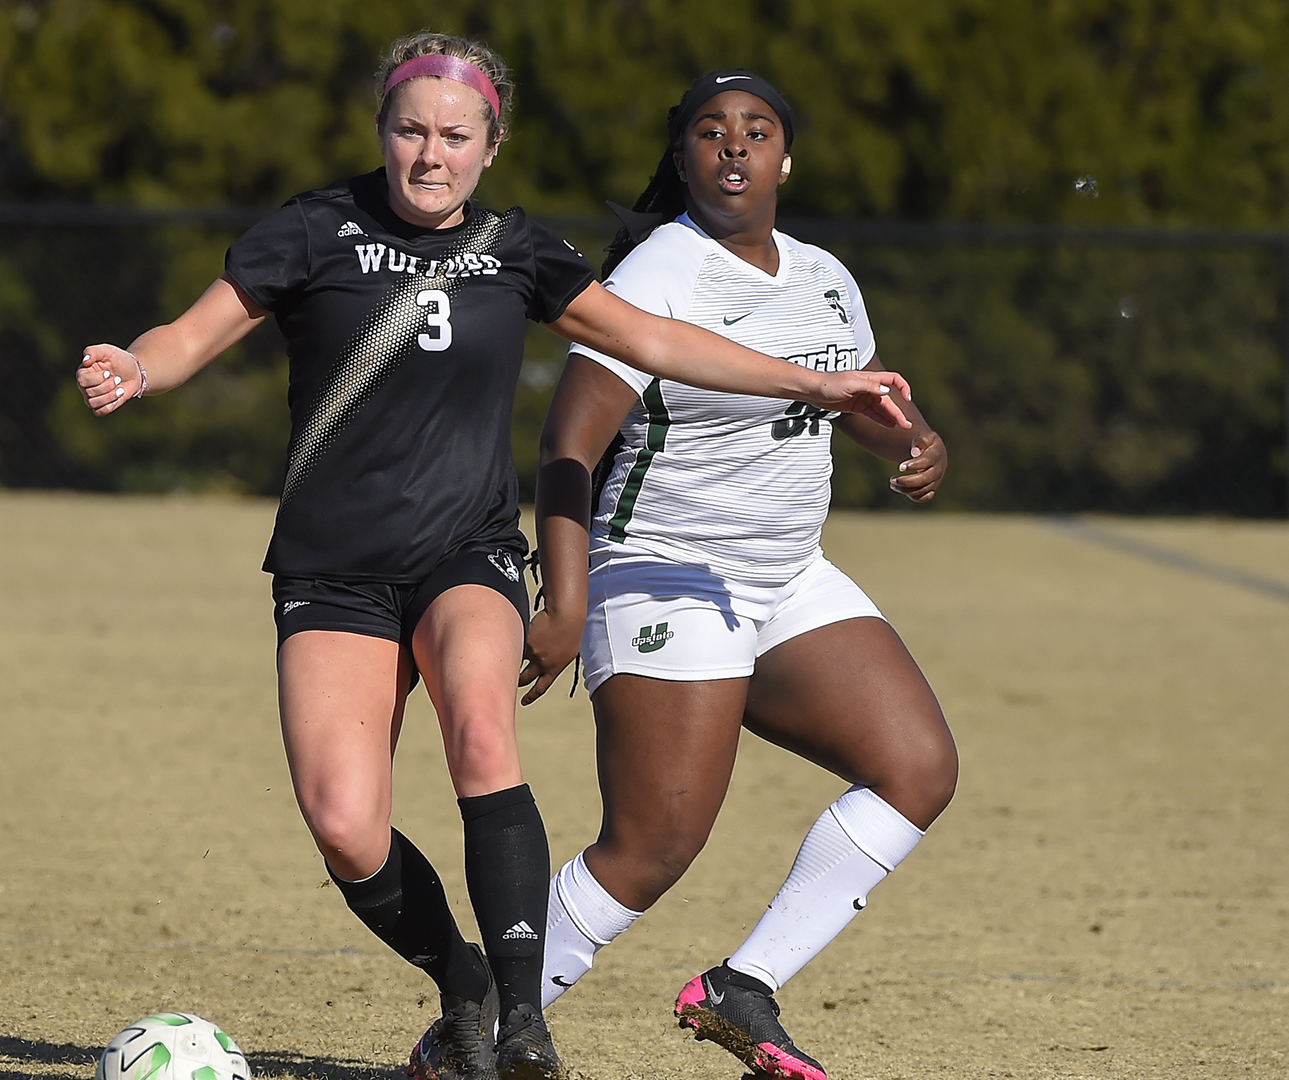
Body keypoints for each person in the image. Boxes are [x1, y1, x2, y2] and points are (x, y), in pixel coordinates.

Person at [77, 38, 914, 1080]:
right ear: (384, 131)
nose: (430, 155)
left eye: (454, 137)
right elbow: (191, 335)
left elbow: (657, 344)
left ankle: (523, 1023)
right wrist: (135, 368)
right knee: (343, 825)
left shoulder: (517, 249)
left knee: (481, 733)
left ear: (489, 145)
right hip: (334, 568)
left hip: (466, 553)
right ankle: (465, 982)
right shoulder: (312, 229)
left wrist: (815, 384)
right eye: (411, 131)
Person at [518, 71, 958, 1080]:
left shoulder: (826, 275)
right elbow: (567, 443)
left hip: (784, 577)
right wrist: (566, 597)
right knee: (651, 849)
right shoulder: (659, 275)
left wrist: (918, 443)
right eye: (709, 133)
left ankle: (741, 988)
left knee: (918, 768)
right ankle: (474, 1027)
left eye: (756, 132)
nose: (733, 148)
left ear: (785, 159)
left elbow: (861, 398)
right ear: (680, 160)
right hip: (663, 574)